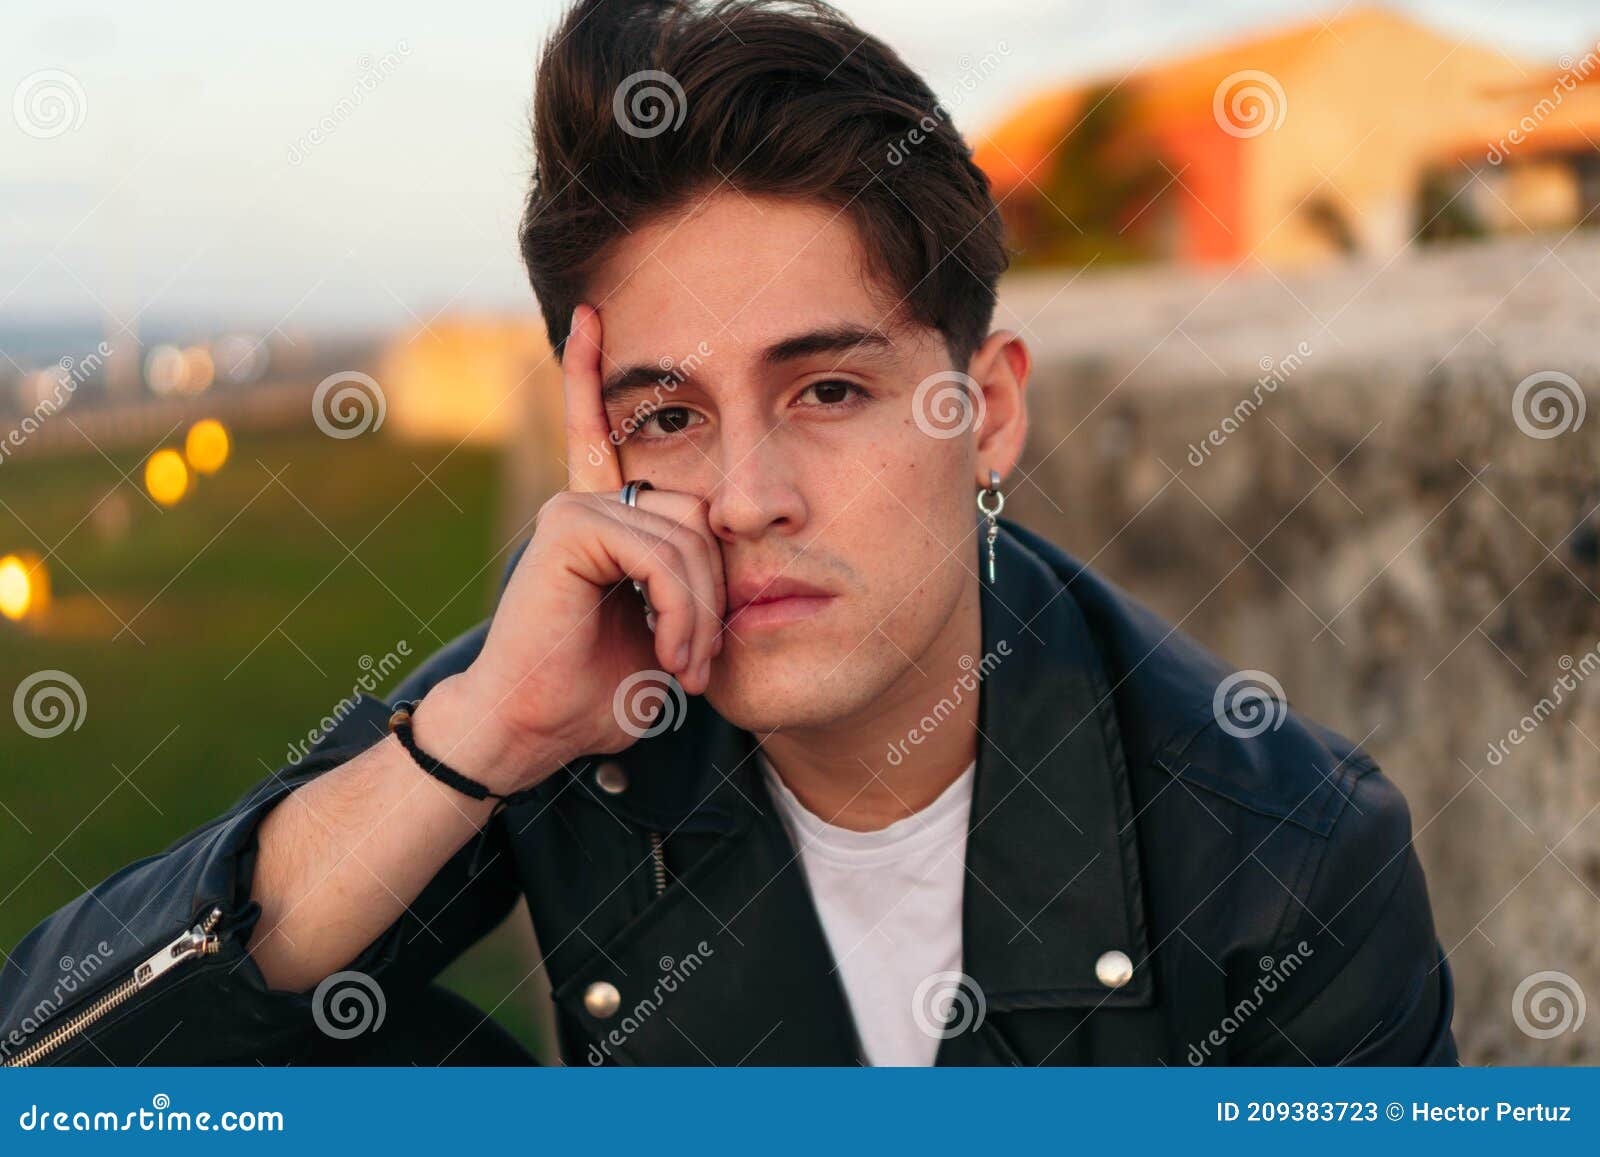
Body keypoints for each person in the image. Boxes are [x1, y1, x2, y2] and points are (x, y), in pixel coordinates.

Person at [0, 0, 1456, 1067]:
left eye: (829, 390)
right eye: (668, 415)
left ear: (988, 411)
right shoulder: (580, 697)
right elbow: (55, 1065)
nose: (748, 494)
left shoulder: (1290, 856)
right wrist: (480, 739)